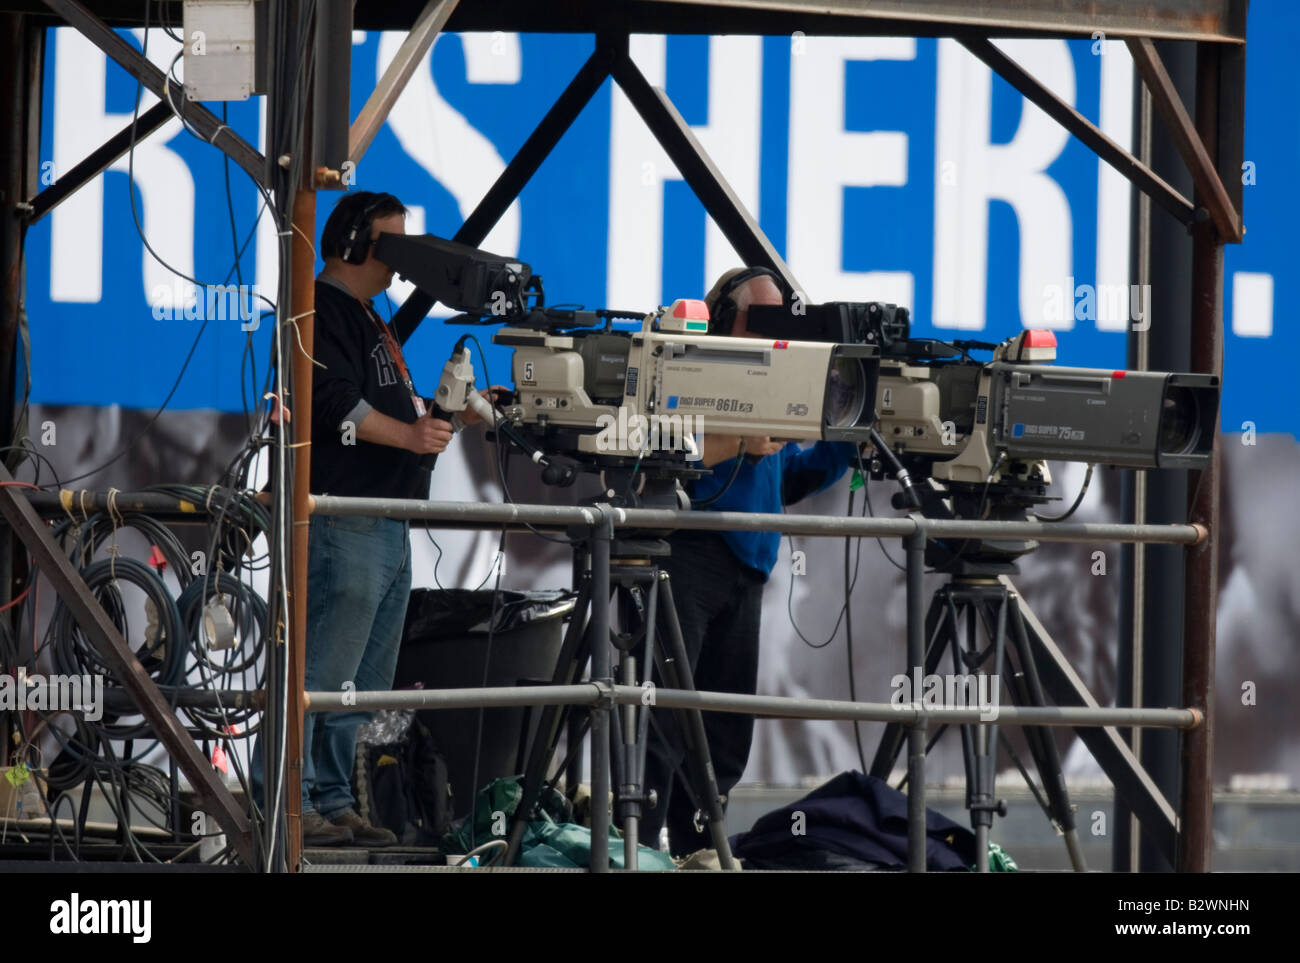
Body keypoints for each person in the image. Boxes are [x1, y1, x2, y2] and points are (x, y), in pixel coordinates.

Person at [251, 191, 493, 847]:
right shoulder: (320, 306)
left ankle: (331, 800)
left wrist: (442, 417)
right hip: (345, 519)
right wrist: (411, 435)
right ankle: (293, 801)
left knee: (359, 683)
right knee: (321, 671)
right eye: (392, 243)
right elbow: (330, 402)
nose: (401, 261)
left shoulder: (365, 315)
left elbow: (379, 407)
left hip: (383, 521)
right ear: (356, 242)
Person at [638, 266, 859, 858]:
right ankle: (638, 847)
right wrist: (738, 442)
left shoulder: (776, 379)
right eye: (755, 316)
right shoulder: (686, 362)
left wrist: (847, 434)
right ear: (720, 317)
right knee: (662, 718)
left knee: (725, 730)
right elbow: (656, 446)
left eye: (776, 318)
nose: (767, 329)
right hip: (689, 553)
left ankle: (695, 852)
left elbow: (787, 476)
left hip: (748, 567)